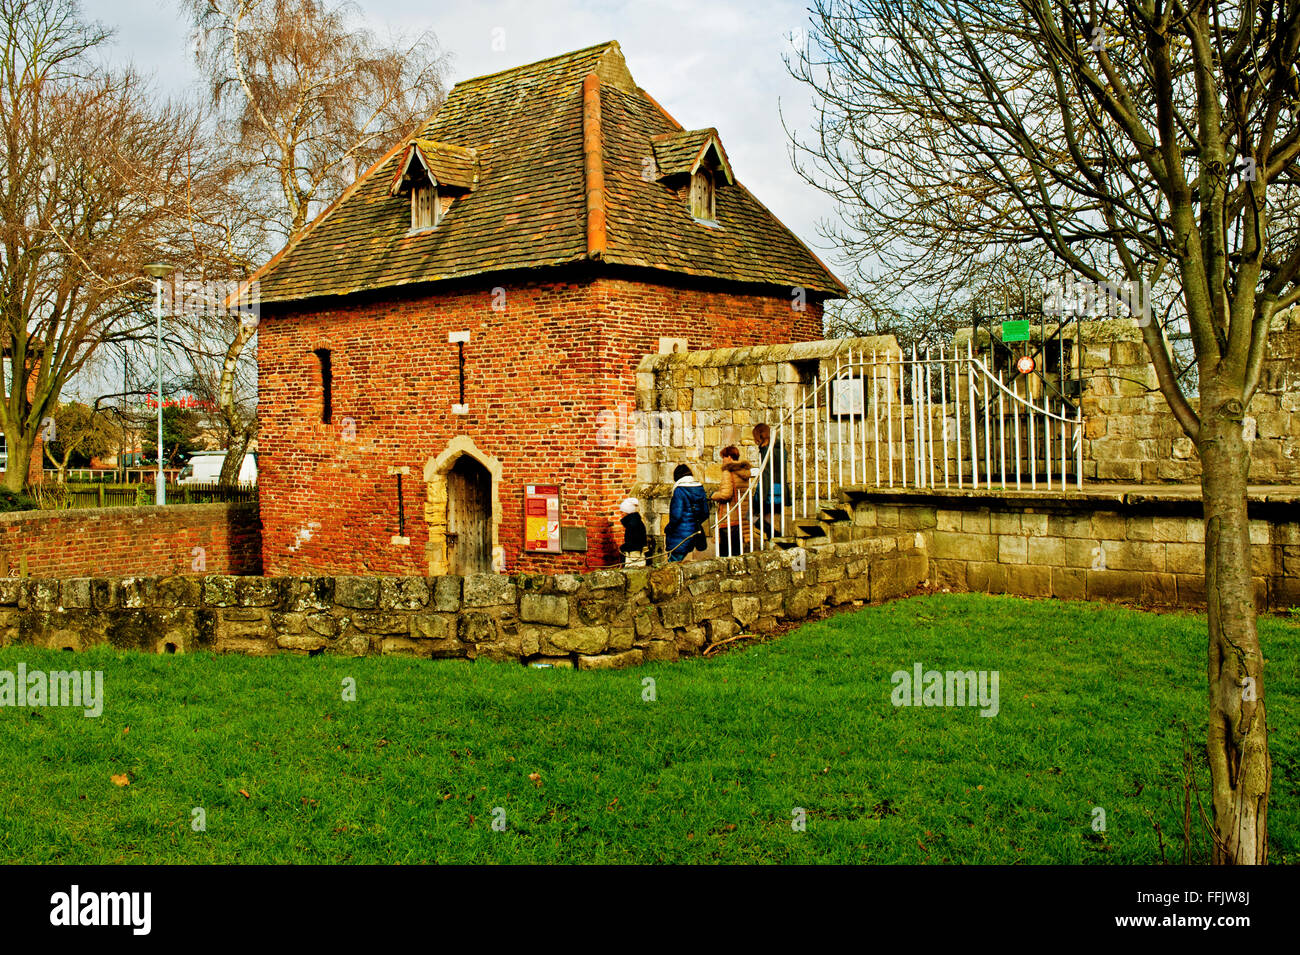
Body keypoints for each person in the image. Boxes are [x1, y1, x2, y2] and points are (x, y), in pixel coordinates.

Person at [710, 445, 752, 557]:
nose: (722, 460)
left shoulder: (728, 471)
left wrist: (713, 495)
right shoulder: (744, 473)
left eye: (723, 456)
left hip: (729, 519)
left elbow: (726, 494)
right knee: (737, 554)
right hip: (741, 519)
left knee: (725, 555)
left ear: (729, 457)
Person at [664, 464, 710, 562]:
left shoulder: (679, 490)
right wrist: (693, 522)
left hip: (679, 534)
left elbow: (676, 516)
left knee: (673, 563)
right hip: (693, 532)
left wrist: (669, 528)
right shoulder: (700, 488)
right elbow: (705, 513)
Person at [752, 423, 786, 540]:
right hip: (780, 489)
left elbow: (766, 474)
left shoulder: (766, 449)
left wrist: (759, 497)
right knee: (768, 517)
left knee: (750, 516)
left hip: (769, 489)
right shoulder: (780, 447)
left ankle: (775, 535)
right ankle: (772, 539)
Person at [617, 497, 647, 567]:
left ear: (628, 512)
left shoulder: (633, 524)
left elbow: (635, 542)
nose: (621, 514)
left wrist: (623, 548)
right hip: (634, 553)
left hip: (634, 556)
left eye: (622, 511)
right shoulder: (634, 522)